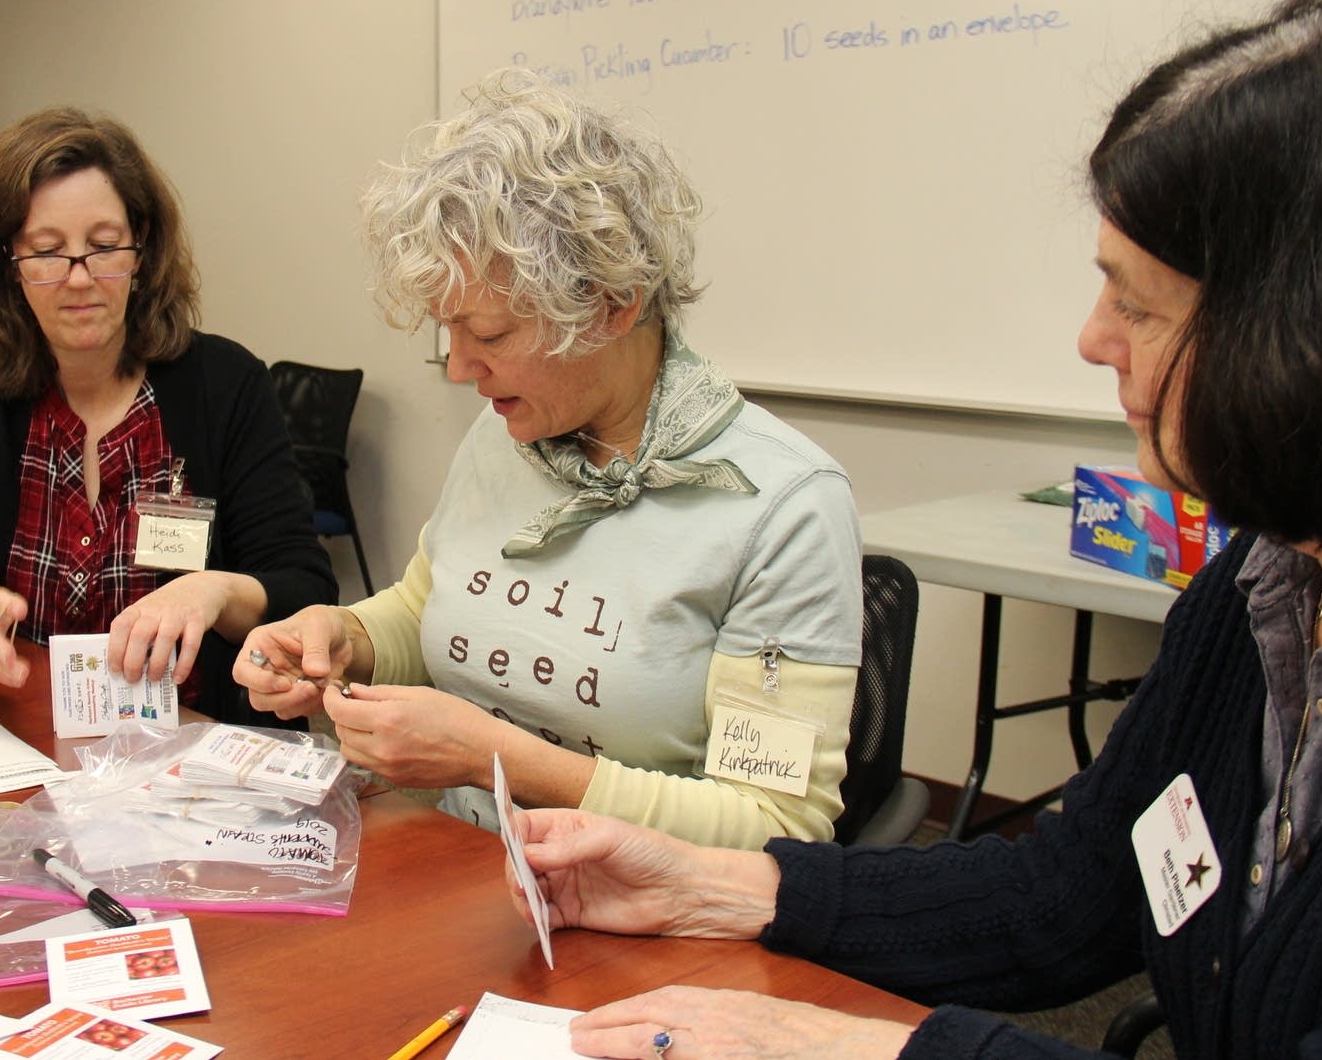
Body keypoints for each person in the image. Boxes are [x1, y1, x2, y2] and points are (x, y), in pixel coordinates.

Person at [503, 0, 1322, 1060]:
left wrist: (854, 1049)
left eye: (1134, 302)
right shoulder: (1266, 586)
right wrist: (713, 884)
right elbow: (1073, 887)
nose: (1089, 337)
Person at [235, 72, 863, 849]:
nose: (461, 368)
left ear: (611, 304)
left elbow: (775, 827)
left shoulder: (781, 507)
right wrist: (341, 635)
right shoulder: (507, 436)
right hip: (459, 875)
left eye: (490, 335)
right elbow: (430, 606)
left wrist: (495, 758)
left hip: (640, 923)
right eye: (448, 333)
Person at [0, 108, 336, 724]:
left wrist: (215, 591)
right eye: (47, 252)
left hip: (191, 747)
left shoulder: (226, 384)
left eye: (104, 247)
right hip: (20, 736)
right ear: (7, 268)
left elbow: (304, 585)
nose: (79, 279)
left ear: (142, 250)